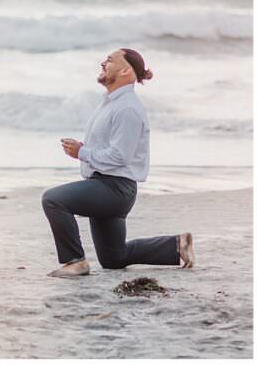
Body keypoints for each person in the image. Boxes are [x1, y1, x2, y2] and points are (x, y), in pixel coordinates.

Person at [42, 48, 195, 277]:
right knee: (114, 258)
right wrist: (85, 150)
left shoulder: (127, 108)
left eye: (110, 60)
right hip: (106, 185)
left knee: (53, 199)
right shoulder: (112, 103)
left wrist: (82, 152)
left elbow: (120, 156)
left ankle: (75, 261)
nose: (103, 63)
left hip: (114, 189)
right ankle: (176, 245)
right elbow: (111, 149)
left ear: (125, 71)